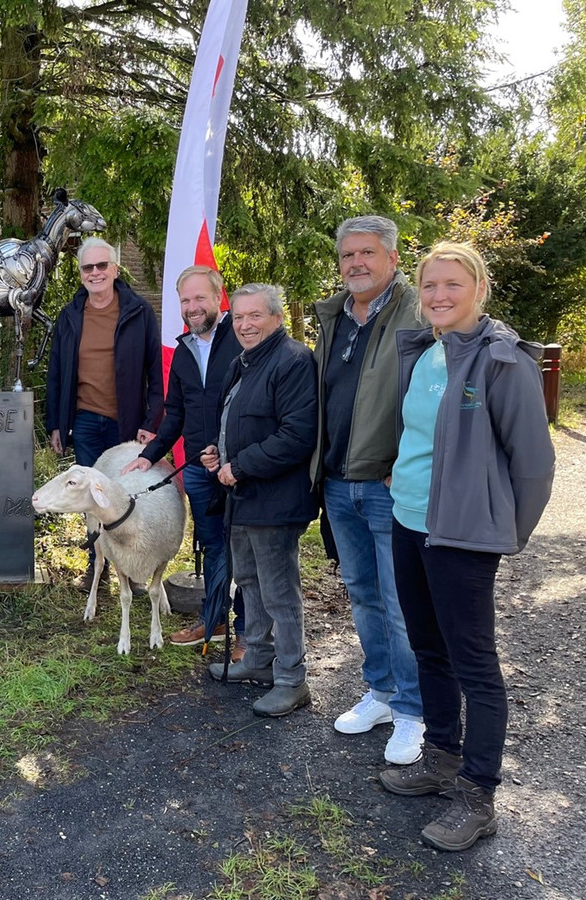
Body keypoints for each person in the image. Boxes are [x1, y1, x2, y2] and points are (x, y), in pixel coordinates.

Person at [378, 242, 554, 851]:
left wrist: (501, 531)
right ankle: (441, 759)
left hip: (462, 537)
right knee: (429, 648)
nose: (439, 296)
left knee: (475, 665)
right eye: (430, 285)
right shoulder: (424, 351)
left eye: (452, 284)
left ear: (478, 288)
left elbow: (534, 464)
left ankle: (478, 797)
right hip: (407, 521)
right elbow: (416, 437)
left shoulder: (503, 361)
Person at [311, 215, 426, 765]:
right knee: (362, 594)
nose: (355, 263)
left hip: (388, 484)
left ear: (392, 258)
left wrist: (404, 459)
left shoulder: (418, 313)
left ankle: (412, 710)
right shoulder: (333, 317)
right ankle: (380, 691)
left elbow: (435, 393)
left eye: (367, 253)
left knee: (402, 602)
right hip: (338, 482)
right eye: (347, 255)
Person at [203, 285, 318, 717]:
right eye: (238, 317)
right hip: (241, 497)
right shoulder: (243, 363)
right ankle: (257, 658)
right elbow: (236, 423)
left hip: (275, 500)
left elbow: (296, 435)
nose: (245, 325)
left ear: (277, 318)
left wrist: (240, 465)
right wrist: (217, 453)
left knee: (278, 593)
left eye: (255, 316)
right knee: (248, 582)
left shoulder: (293, 361)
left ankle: (292, 679)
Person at [122, 265, 246, 659]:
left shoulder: (241, 338)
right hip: (196, 468)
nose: (192, 307)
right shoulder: (183, 351)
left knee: (243, 549)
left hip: (239, 467)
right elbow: (174, 414)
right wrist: (148, 456)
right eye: (185, 300)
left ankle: (248, 633)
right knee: (212, 546)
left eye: (199, 298)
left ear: (218, 296)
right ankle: (214, 620)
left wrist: (227, 453)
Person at [45, 237, 164, 589]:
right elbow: (56, 372)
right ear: (81, 273)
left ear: (114, 268)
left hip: (127, 423)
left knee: (125, 495)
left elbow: (156, 373)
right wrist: (55, 424)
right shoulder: (70, 315)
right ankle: (97, 568)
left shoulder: (138, 312)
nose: (95, 273)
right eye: (88, 267)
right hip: (84, 422)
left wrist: (152, 422)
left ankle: (133, 571)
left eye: (101, 265)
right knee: (91, 497)